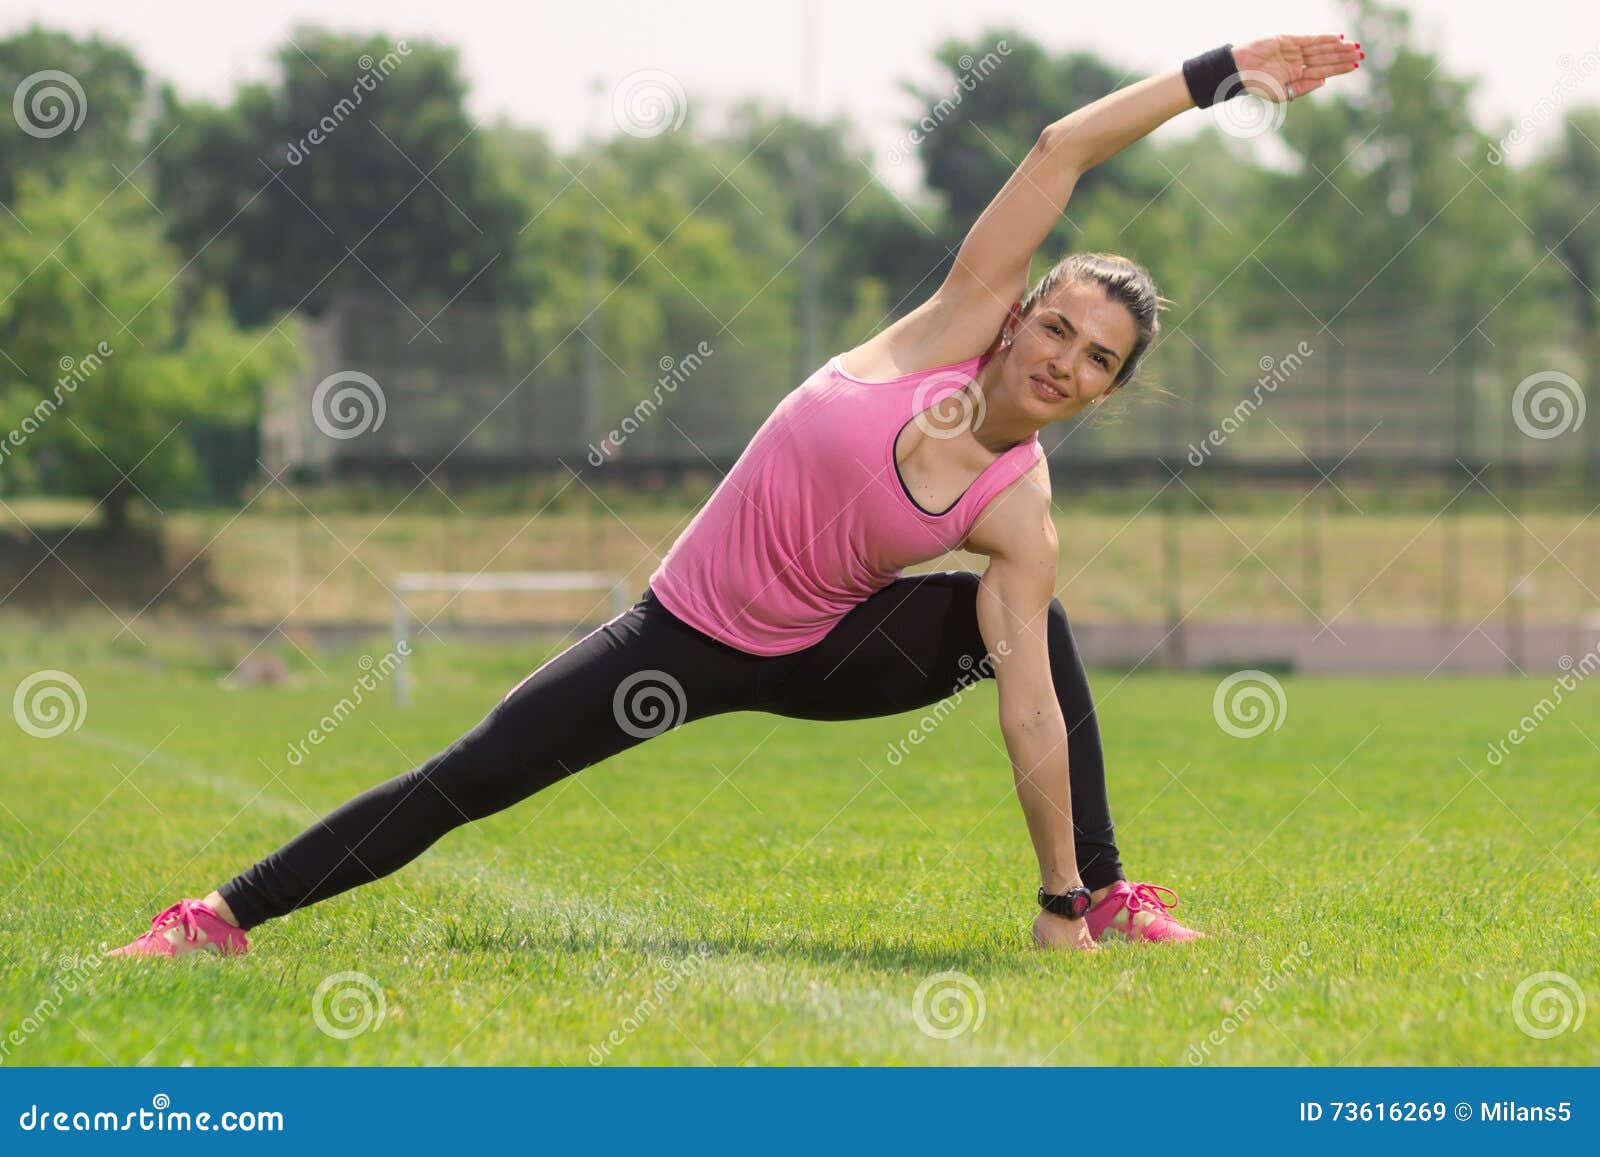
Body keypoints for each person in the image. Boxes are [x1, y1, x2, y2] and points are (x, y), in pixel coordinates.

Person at [109, 33, 1362, 959]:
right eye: (1059, 326)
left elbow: (1033, 717)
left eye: (1097, 360)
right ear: (1019, 311)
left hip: (828, 657)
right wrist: (1216, 75)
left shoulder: (1019, 509)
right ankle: (216, 916)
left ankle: (1102, 894)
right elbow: (1061, 147)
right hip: (681, 635)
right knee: (471, 772)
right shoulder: (951, 324)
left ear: (1105, 392)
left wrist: (1050, 901)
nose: (1063, 360)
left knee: (1028, 626)